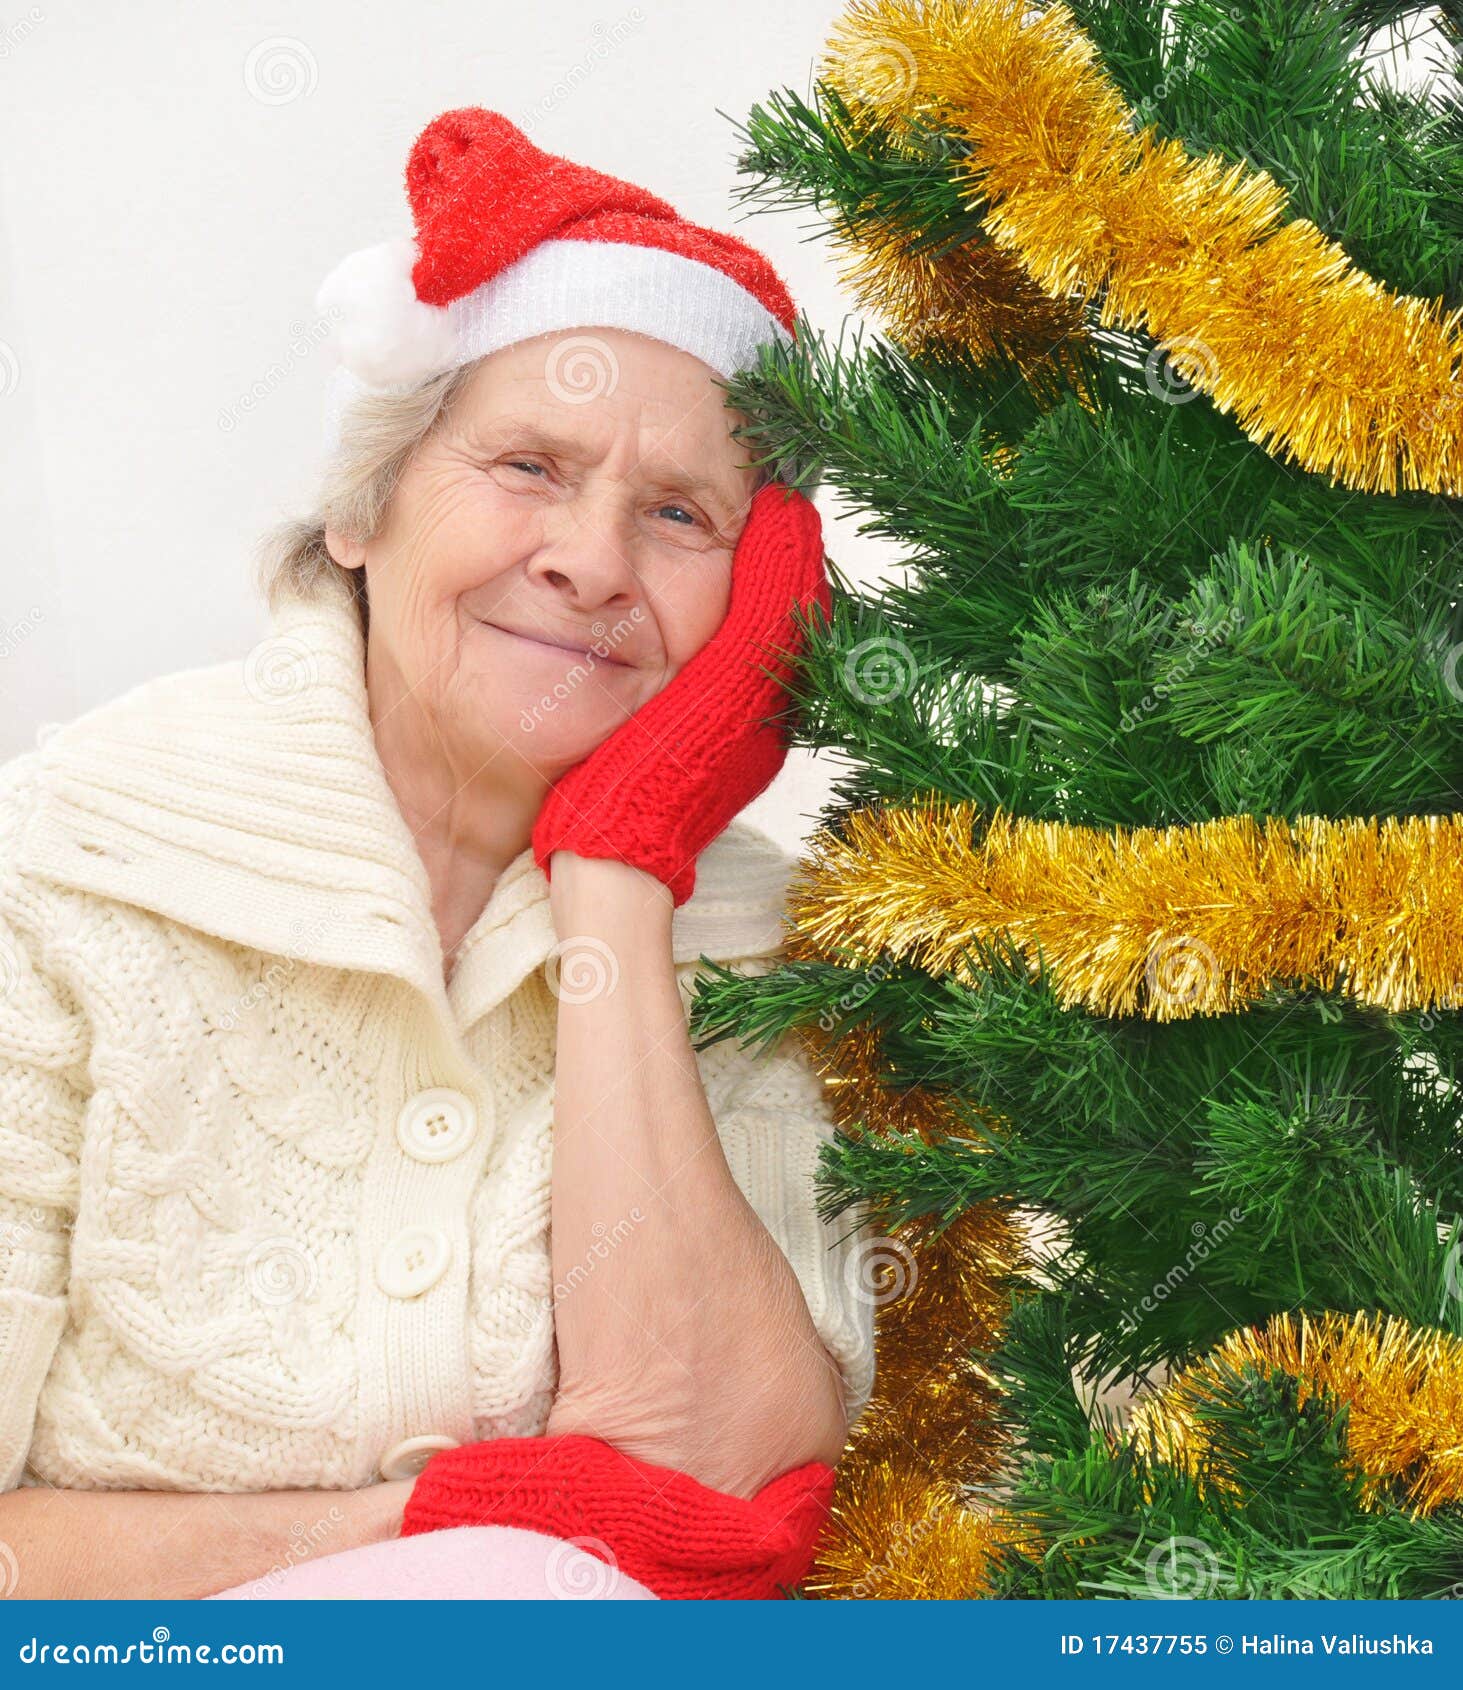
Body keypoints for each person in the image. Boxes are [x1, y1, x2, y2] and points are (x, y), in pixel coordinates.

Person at [0, 107, 877, 1600]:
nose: (593, 562)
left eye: (679, 514)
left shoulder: (771, 940)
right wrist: (425, 1528)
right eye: (529, 465)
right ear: (364, 504)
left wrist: (619, 857)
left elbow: (720, 1499)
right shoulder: (66, 866)